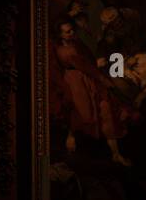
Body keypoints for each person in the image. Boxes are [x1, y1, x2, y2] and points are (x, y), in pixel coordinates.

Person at [49, 19, 131, 166]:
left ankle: (116, 154)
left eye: (72, 30)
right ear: (60, 35)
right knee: (82, 114)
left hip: (89, 80)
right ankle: (72, 143)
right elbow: (83, 65)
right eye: (67, 32)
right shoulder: (60, 49)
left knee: (106, 110)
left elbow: (88, 62)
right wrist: (99, 74)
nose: (71, 33)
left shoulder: (77, 44)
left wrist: (97, 70)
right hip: (75, 83)